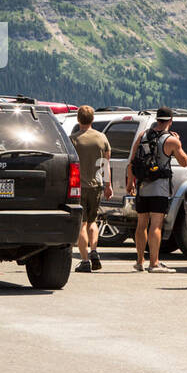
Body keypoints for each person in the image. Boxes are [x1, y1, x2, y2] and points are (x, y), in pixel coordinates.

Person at [125, 106, 187, 272]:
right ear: (170, 120)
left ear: (156, 119)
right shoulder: (171, 140)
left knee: (141, 224)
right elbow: (184, 162)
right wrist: (179, 142)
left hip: (142, 186)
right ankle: (154, 263)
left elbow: (132, 161)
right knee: (156, 225)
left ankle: (140, 261)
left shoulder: (143, 135)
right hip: (159, 188)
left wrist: (130, 182)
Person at [70, 106, 112, 272]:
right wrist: (108, 186)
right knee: (93, 221)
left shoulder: (73, 140)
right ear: (92, 119)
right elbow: (105, 164)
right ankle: (94, 251)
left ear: (78, 119)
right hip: (96, 185)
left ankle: (85, 260)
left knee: (82, 223)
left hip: (79, 186)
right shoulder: (101, 138)